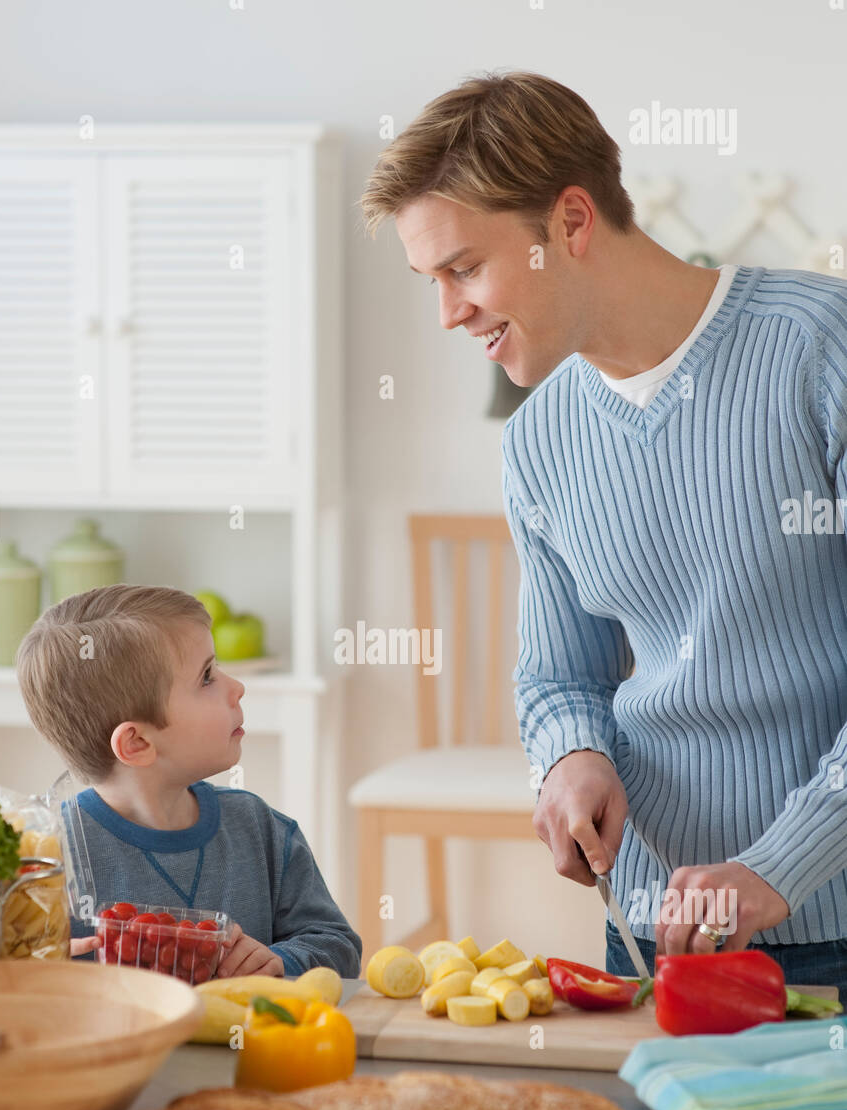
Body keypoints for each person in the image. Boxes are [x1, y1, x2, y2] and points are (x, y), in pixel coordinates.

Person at [361, 70, 847, 1002]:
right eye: (433, 281)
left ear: (571, 224)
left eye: (463, 267)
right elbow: (557, 677)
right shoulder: (540, 438)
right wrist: (572, 755)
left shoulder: (819, 350)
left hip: (827, 928)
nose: (449, 312)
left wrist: (776, 868)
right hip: (649, 934)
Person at [16, 584, 361, 979]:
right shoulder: (45, 860)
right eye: (208, 677)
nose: (237, 687)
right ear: (138, 742)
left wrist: (283, 961)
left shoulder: (261, 830)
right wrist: (35, 970)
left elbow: (338, 945)